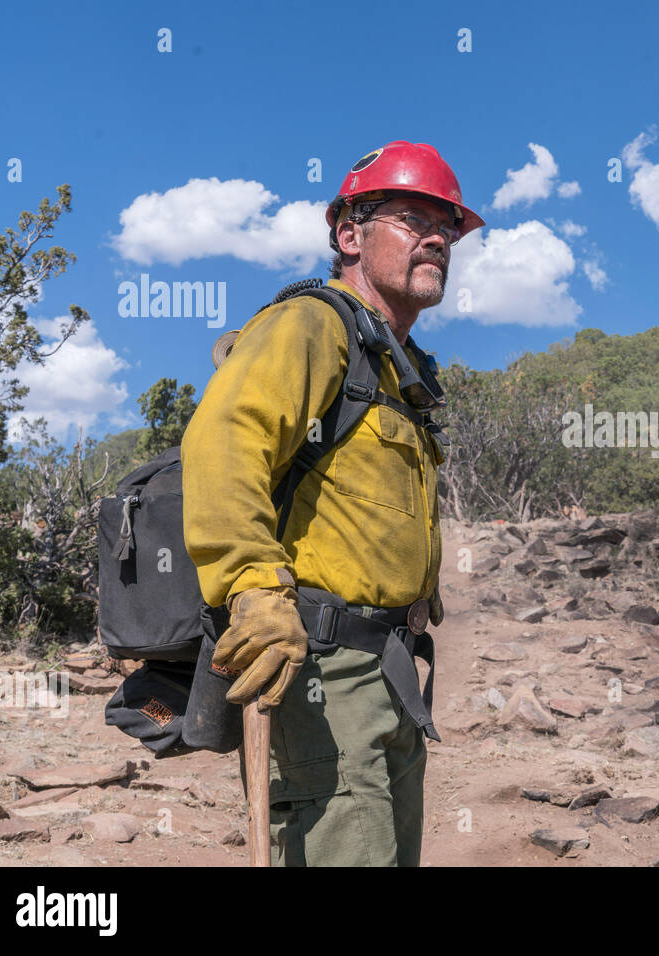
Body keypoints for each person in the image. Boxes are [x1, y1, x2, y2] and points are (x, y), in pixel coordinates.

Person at [180, 140, 484, 866]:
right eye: (414, 219)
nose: (438, 238)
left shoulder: (398, 370)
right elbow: (223, 444)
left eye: (448, 228)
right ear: (350, 234)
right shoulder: (312, 325)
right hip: (319, 671)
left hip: (390, 674)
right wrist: (251, 589)